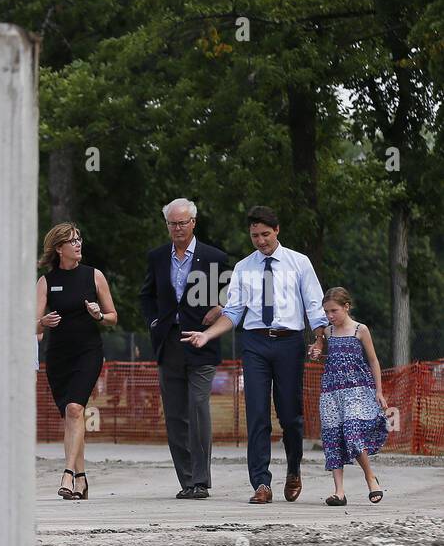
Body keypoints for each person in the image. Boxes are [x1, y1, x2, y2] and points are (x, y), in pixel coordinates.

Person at [181, 206, 328, 504]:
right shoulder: (244, 268)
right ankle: (261, 483)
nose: (260, 241)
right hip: (255, 343)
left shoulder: (298, 263)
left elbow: (314, 304)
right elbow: (233, 312)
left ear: (277, 231)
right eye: (254, 236)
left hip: (289, 343)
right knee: (257, 414)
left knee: (290, 415)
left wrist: (319, 337)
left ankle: (294, 469)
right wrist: (207, 334)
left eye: (265, 234)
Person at [138, 198, 232, 499]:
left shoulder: (214, 257)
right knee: (176, 415)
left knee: (198, 407)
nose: (177, 228)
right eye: (172, 224)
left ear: (193, 223)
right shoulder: (157, 257)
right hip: (169, 342)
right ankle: (187, 480)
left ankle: (201, 480)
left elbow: (232, 292)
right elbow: (146, 296)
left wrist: (219, 307)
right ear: (167, 226)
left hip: (202, 341)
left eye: (182, 223)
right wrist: (154, 321)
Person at [35, 222, 119, 500]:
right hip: (58, 356)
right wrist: (42, 322)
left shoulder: (94, 276)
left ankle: (67, 474)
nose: (78, 244)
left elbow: (112, 317)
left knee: (74, 409)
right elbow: (32, 326)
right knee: (73, 417)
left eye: (79, 239)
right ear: (59, 249)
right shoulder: (46, 281)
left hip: (88, 352)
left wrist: (98, 315)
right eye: (72, 241)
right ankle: (81, 480)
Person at [310, 287, 388, 505]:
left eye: (333, 311)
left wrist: (379, 391)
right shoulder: (327, 332)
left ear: (346, 307)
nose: (329, 316)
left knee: (352, 432)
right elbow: (318, 351)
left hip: (357, 389)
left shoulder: (360, 330)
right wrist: (315, 352)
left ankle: (370, 476)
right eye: (326, 312)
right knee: (332, 436)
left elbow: (373, 361)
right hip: (331, 391)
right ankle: (339, 492)